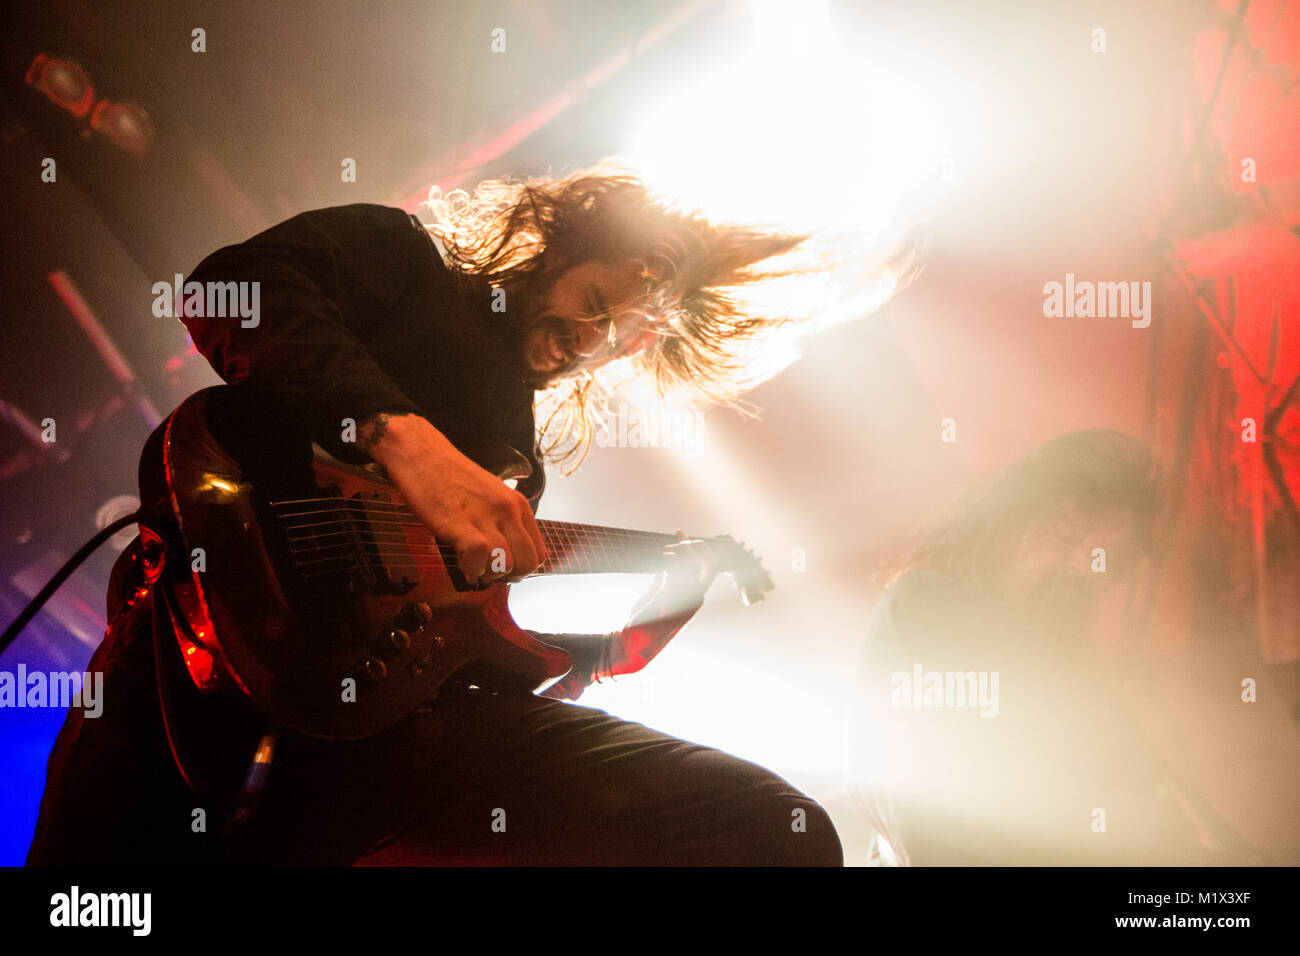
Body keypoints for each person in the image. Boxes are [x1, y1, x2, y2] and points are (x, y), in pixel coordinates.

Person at [28, 165, 860, 866]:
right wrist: (406, 442)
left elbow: (454, 638)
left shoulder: (517, 463)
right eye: (596, 302)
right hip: (191, 654)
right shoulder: (401, 259)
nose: (591, 341)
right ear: (566, 248)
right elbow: (230, 289)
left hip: (353, 748)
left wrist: (613, 647)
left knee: (769, 831)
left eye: (616, 339)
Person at [844, 430, 1245, 865]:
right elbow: (934, 815)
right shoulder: (930, 607)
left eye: (1104, 557)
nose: (1081, 567)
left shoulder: (1067, 668)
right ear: (1012, 525)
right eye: (1066, 539)